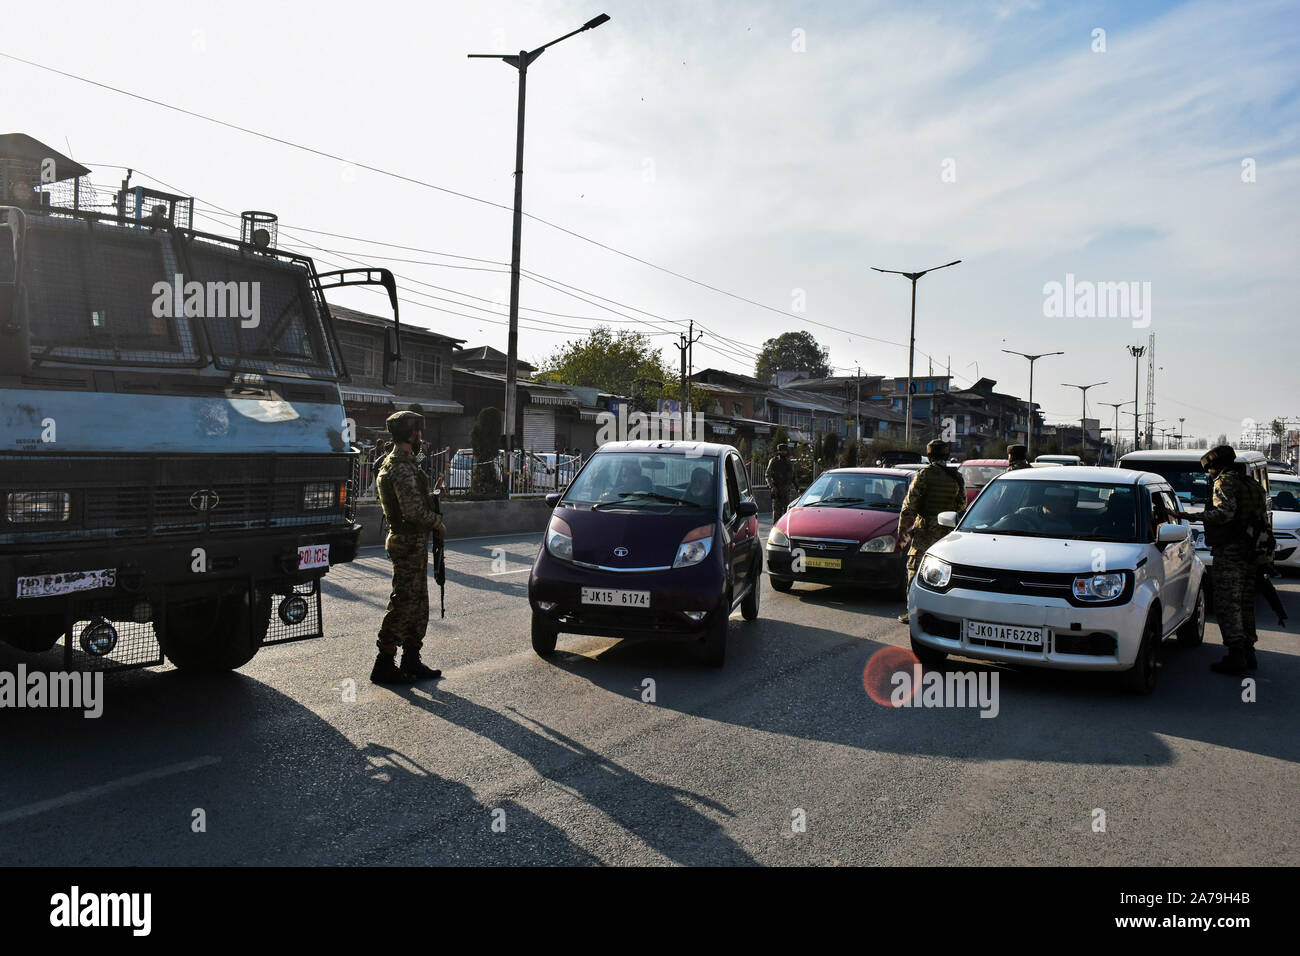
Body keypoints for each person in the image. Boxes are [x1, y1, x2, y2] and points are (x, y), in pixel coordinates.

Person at [373, 411, 446, 684]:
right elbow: (413, 510)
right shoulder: (400, 466)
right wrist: (437, 522)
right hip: (406, 541)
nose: (421, 436)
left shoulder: (406, 463)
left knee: (417, 603)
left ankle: (411, 660)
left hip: (412, 541)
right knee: (404, 601)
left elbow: (414, 501)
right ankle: (384, 662)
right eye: (418, 431)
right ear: (411, 434)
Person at [1200, 445, 1269, 674]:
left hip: (1231, 551)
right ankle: (1249, 651)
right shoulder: (1252, 484)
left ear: (1216, 466)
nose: (1209, 473)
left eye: (1210, 468)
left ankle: (1236, 655)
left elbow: (1224, 514)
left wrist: (1194, 516)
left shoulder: (1224, 482)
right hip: (1252, 552)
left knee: (1227, 603)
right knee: (1245, 602)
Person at [897, 440, 966, 623]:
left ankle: (912, 613)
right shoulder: (956, 476)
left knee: (914, 568)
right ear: (946, 455)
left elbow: (909, 506)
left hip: (926, 531)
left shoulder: (924, 475)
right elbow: (961, 505)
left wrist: (902, 533)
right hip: (947, 534)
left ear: (929, 456)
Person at [766, 444, 795, 521]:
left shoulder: (788, 462)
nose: (783, 452)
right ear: (778, 451)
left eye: (785, 450)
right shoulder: (773, 461)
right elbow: (767, 475)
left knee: (787, 513)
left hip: (786, 491)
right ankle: (776, 529)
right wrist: (772, 486)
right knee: (777, 514)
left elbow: (793, 476)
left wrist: (797, 488)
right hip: (777, 490)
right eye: (781, 450)